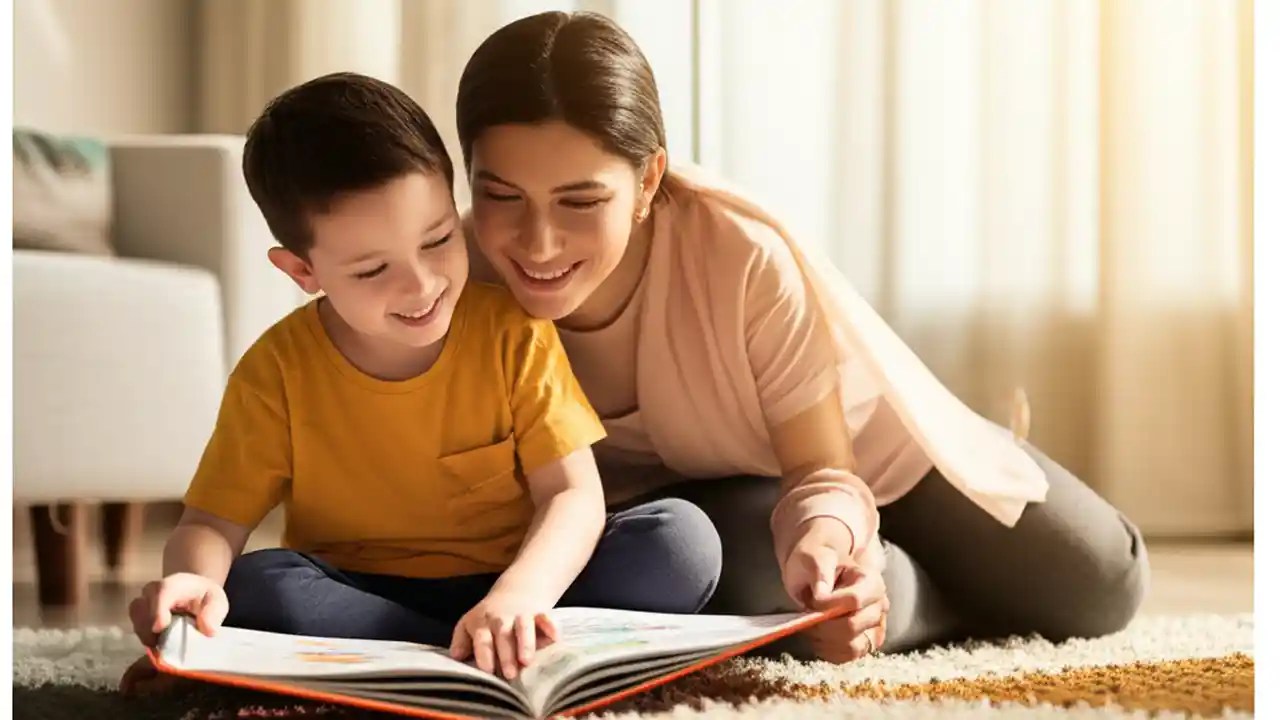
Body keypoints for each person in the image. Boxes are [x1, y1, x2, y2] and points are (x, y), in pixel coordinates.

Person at [454, 11, 1150, 662]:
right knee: (784, 595)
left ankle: (945, 492)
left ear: (647, 182)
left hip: (862, 457)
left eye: (581, 201)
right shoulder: (450, 275)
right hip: (715, 504)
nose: (537, 242)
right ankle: (915, 595)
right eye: (501, 196)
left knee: (1101, 584)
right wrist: (837, 566)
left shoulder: (739, 255)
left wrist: (828, 522)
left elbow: (823, 466)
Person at [121, 71, 722, 692]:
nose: (422, 286)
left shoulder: (510, 332)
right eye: (374, 269)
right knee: (256, 587)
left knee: (679, 542)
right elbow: (211, 524)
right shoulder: (276, 370)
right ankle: (460, 655)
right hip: (363, 595)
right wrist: (195, 581)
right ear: (302, 270)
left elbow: (573, 496)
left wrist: (517, 596)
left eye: (439, 240)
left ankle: (488, 641)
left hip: (522, 583)